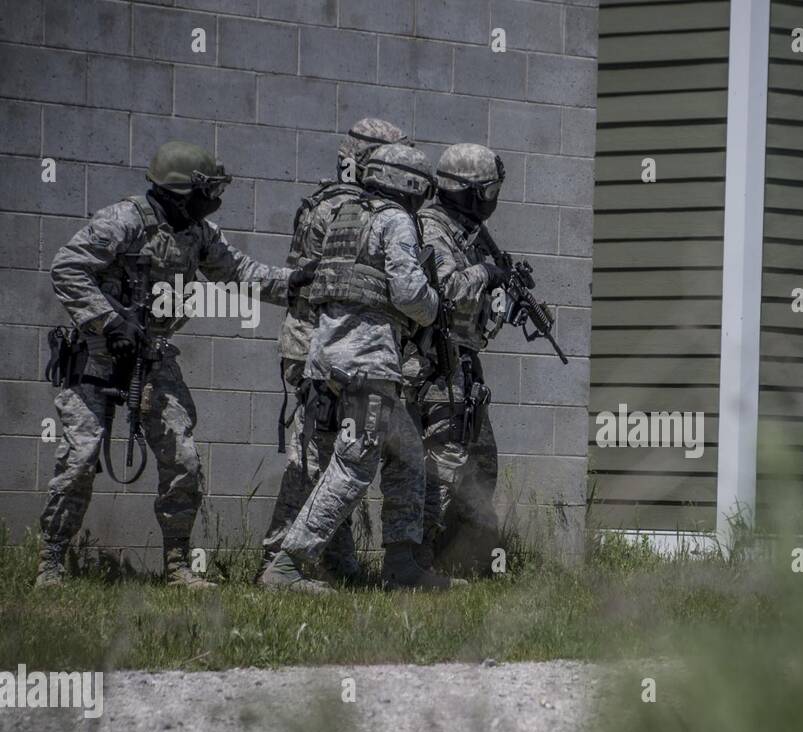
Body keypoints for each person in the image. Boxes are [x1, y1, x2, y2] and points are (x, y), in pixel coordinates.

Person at [36, 141, 312, 589]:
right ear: (182, 192)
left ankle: (178, 566)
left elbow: (238, 272)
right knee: (80, 459)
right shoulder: (124, 221)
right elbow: (68, 267)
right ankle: (50, 564)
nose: (215, 199)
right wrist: (109, 322)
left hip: (152, 355)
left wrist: (294, 282)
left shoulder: (199, 233)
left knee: (183, 459)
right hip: (97, 354)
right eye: (208, 191)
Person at [259, 144, 456, 592]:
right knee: (353, 466)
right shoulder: (394, 219)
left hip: (330, 359)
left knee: (407, 453)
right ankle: (287, 565)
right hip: (368, 365)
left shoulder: (345, 215)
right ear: (410, 184)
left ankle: (402, 566)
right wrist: (434, 305)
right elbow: (409, 294)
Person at [413, 144, 511, 577]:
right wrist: (487, 273)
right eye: (487, 192)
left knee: (480, 466)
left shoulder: (464, 233)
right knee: (442, 470)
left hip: (463, 367)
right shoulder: (432, 229)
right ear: (467, 192)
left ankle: (465, 562)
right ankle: (416, 563)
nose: (492, 201)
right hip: (437, 369)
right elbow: (448, 289)